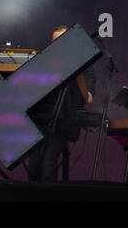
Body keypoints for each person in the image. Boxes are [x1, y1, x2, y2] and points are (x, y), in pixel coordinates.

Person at [25, 25, 96, 181]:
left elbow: (89, 98)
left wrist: (77, 77)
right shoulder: (45, 64)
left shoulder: (84, 64)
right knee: (33, 165)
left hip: (65, 123)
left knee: (47, 163)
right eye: (54, 42)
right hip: (41, 121)